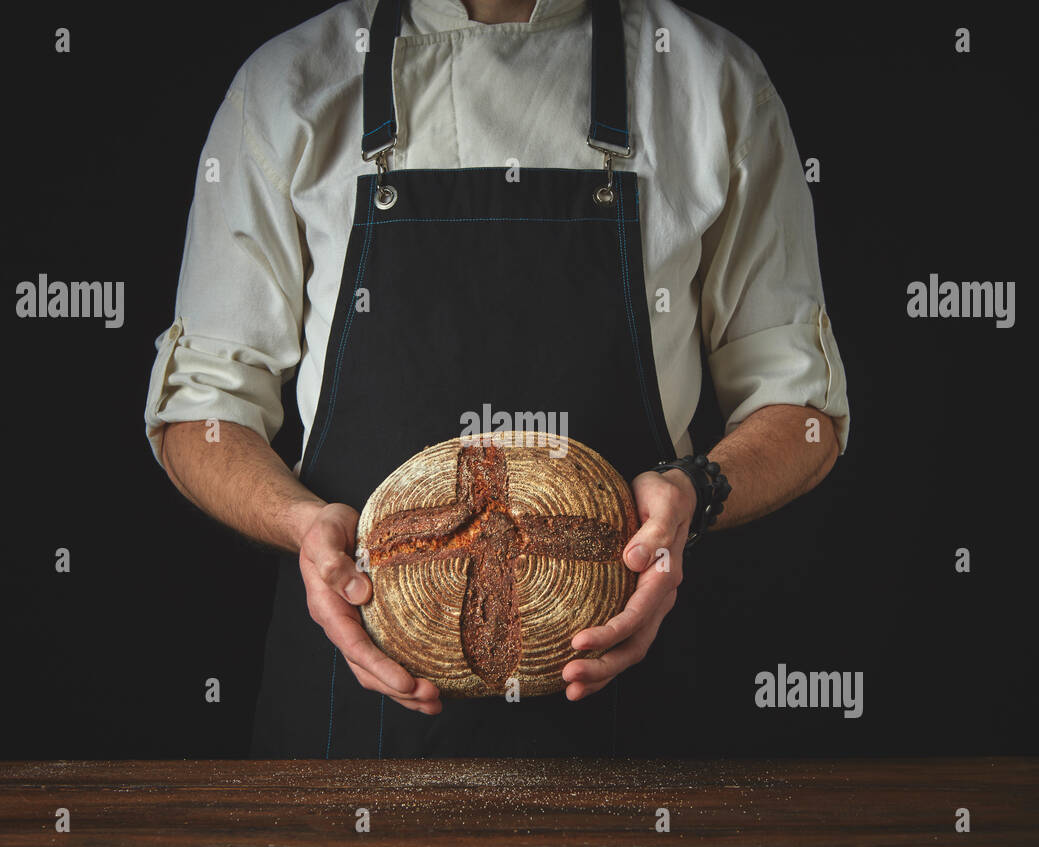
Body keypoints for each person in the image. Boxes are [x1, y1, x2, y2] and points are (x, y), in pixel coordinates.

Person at [143, 0, 851, 758]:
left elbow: (803, 409)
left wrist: (695, 493)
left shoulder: (711, 82)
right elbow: (202, 409)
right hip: (350, 723)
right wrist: (301, 525)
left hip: (626, 717)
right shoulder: (290, 83)